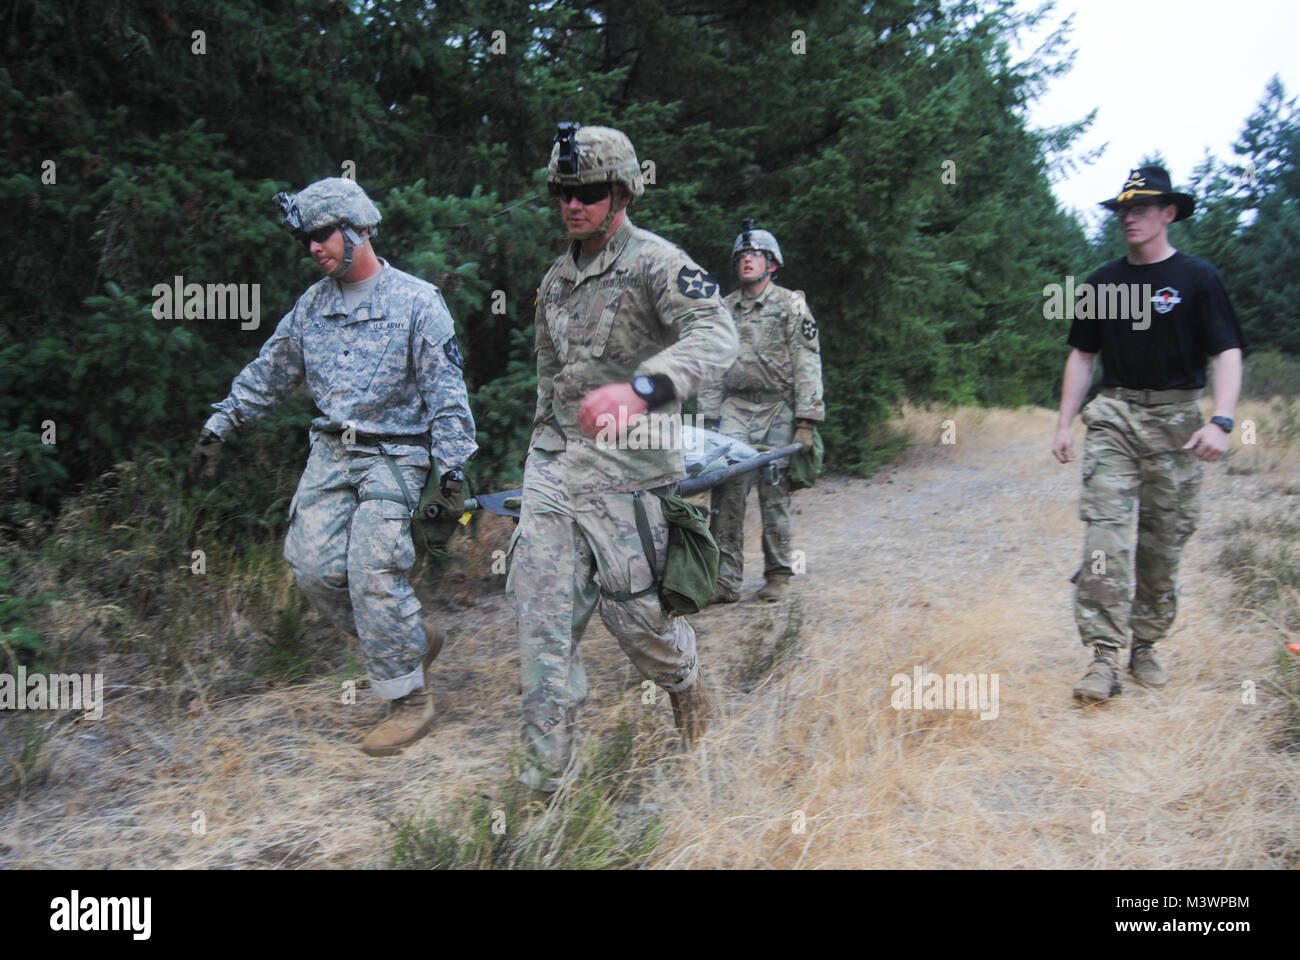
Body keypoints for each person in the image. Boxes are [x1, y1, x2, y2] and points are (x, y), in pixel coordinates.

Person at [189, 177, 476, 753]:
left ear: (359, 229)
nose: (315, 248)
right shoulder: (311, 307)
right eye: (307, 240)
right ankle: (410, 639)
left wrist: (452, 471)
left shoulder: (418, 301)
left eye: (322, 234)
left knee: (373, 567)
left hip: (394, 457)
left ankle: (409, 700)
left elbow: (448, 394)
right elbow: (271, 371)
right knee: (313, 569)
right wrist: (221, 423)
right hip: (331, 456)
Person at [507, 123, 738, 794]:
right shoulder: (554, 283)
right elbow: (548, 381)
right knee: (542, 621)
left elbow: (716, 333)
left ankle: (686, 682)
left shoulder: (657, 263)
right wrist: (540, 457)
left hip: (631, 468)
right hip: (556, 464)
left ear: (622, 192)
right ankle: (545, 788)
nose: (572, 205)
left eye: (587, 192)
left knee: (638, 620)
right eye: (563, 193)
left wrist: (643, 390)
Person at [1052, 165, 1245, 701]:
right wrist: (1066, 422)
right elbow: (1083, 354)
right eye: (1123, 210)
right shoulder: (1102, 282)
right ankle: (1103, 658)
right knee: (1104, 539)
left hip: (1179, 420)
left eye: (1141, 208)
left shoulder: (1199, 279)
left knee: (1163, 543)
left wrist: (1222, 420)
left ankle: (1146, 646)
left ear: (1169, 213)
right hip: (1115, 415)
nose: (1129, 218)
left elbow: (1227, 351)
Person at [699, 220, 824, 603]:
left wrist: (806, 421)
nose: (747, 261)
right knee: (727, 492)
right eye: (742, 256)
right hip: (735, 408)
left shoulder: (791, 305)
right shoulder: (722, 308)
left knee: (774, 491)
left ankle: (778, 573)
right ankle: (726, 579)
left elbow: (807, 361)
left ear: (772, 264)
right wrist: (708, 420)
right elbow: (711, 364)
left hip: (778, 408)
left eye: (756, 256)